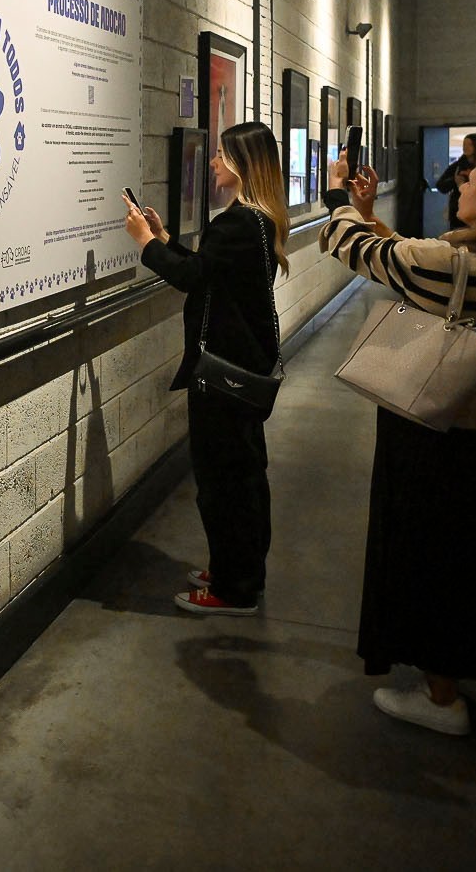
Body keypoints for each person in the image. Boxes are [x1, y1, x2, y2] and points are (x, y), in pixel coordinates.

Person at [320, 150, 476, 735]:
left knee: (427, 559)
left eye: (469, 181)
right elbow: (417, 260)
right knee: (473, 560)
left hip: (426, 433)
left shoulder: (449, 264)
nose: (459, 188)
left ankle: (440, 696)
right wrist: (371, 212)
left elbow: (359, 252)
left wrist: (338, 201)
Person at [125, 122, 289, 616]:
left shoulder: (237, 223)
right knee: (242, 475)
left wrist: (145, 245)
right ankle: (236, 568)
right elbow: (210, 272)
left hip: (224, 375)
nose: (213, 163)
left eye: (220, 155)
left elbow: (192, 278)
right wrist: (165, 238)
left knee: (223, 482)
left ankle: (233, 588)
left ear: (241, 164)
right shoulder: (257, 221)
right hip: (242, 371)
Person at [434, 133, 476, 231]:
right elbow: (441, 185)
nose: (465, 147)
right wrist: (456, 181)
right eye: (464, 144)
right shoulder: (457, 166)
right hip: (458, 209)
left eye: (469, 144)